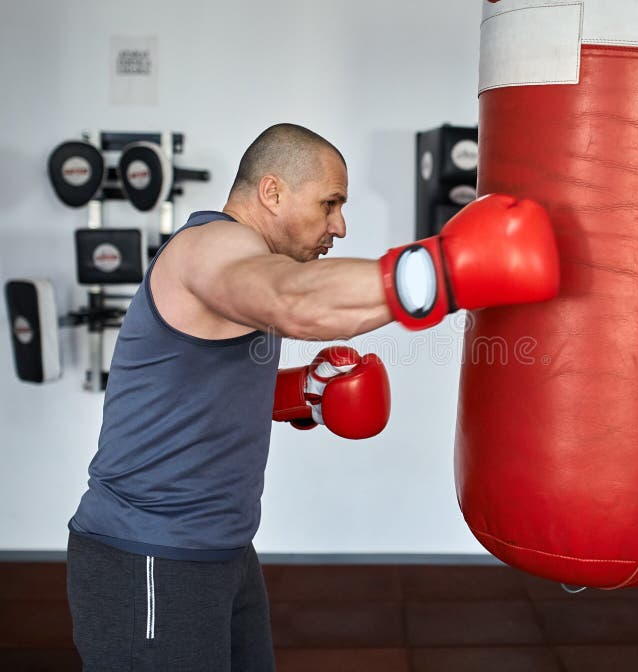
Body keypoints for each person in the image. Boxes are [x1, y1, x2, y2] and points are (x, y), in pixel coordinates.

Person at [66, 123, 559, 671]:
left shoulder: (241, 270)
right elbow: (294, 302)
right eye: (330, 204)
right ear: (272, 192)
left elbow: (193, 383)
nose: (340, 226)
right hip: (149, 553)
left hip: (223, 550)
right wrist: (449, 269)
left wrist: (300, 393)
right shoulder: (212, 247)